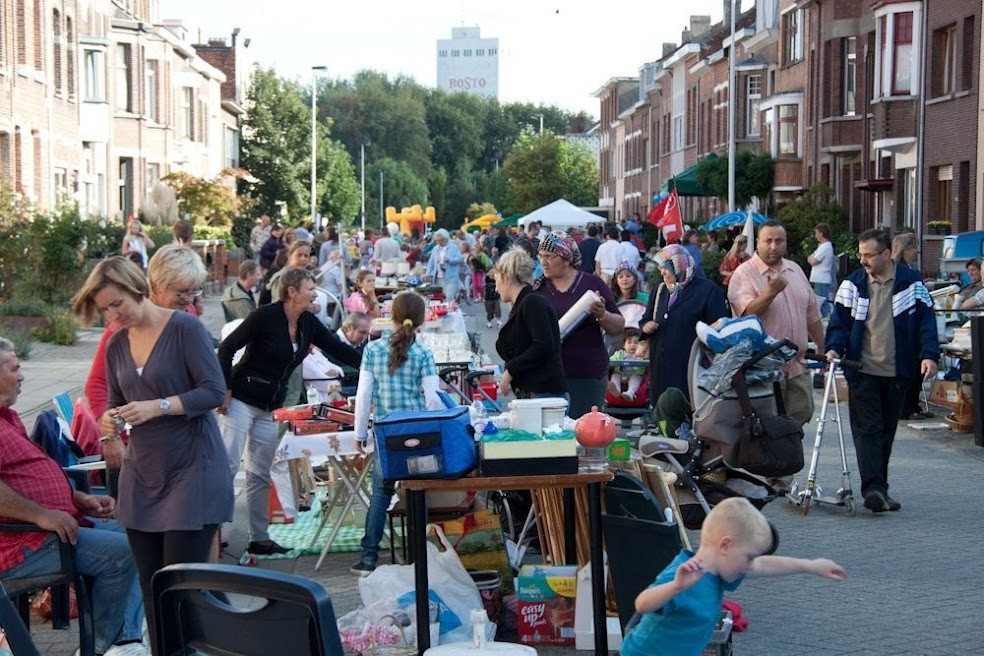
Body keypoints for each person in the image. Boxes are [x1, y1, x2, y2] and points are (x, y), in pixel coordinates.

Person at [72, 256, 233, 650]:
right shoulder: (115, 344)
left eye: (117, 304)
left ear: (136, 287)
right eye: (105, 309)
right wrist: (109, 422)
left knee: (183, 586)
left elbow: (214, 391)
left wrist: (159, 406)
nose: (112, 315)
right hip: (143, 474)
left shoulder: (185, 327)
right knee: (152, 587)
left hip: (193, 467)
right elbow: (113, 401)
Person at [0, 336, 148, 656]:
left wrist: (79, 498)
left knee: (140, 531)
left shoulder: (7, 417)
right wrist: (42, 515)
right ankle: (104, 646)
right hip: (24, 543)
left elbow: (29, 476)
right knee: (123, 553)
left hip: (52, 529)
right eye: (15, 368)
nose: (22, 375)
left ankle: (124, 638)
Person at [217, 268, 362, 554]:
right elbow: (228, 348)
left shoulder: (308, 322)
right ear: (292, 291)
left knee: (259, 473)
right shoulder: (265, 316)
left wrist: (374, 363)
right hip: (242, 399)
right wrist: (225, 389)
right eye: (310, 287)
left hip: (270, 405)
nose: (315, 293)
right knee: (228, 466)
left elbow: (338, 349)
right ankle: (213, 532)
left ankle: (259, 538)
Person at [620, 498, 845, 656]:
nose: (749, 565)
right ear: (725, 545)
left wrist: (810, 566)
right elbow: (642, 604)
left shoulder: (718, 571)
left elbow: (763, 566)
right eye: (748, 557)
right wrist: (675, 587)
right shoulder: (686, 573)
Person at [825, 228, 939, 513]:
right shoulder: (852, 284)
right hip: (862, 371)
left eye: (868, 255)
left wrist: (929, 356)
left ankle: (881, 489)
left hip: (898, 373)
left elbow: (927, 322)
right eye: (860, 254)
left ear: (886, 254)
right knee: (868, 430)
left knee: (886, 433)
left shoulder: (911, 283)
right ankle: (873, 489)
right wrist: (834, 348)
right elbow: (839, 324)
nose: (862, 260)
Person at [82, 247, 210, 499]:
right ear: (155, 285)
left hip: (185, 443)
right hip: (140, 452)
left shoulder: (187, 314)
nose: (188, 299)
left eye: (193, 291)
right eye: (180, 291)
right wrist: (110, 435)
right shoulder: (122, 328)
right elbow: (97, 384)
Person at [351, 292, 443, 576]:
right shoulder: (424, 354)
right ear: (421, 320)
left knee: (381, 493)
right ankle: (419, 556)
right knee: (419, 491)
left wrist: (360, 433)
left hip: (385, 433)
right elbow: (433, 400)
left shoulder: (373, 350)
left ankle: (368, 559)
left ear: (391, 316)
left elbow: (364, 395)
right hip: (417, 434)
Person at [728, 221, 825, 427]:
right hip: (763, 370)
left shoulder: (795, 270)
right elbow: (746, 314)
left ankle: (793, 458)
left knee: (798, 422)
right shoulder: (744, 273)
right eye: (768, 241)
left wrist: (823, 347)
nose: (773, 246)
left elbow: (812, 314)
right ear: (758, 243)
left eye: (779, 241)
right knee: (768, 429)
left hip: (797, 367)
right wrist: (771, 292)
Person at [535, 231, 623, 417]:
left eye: (550, 256)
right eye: (541, 256)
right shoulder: (539, 288)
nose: (543, 262)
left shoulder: (592, 284)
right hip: (547, 377)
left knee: (584, 435)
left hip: (586, 375)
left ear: (566, 259)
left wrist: (602, 314)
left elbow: (619, 327)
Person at [641, 245, 727, 405]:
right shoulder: (660, 290)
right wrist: (646, 327)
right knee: (663, 412)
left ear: (680, 267)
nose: (662, 273)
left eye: (666, 268)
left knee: (688, 410)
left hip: (690, 367)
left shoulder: (707, 290)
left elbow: (718, 328)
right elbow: (645, 319)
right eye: (661, 268)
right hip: (661, 366)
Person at [494, 248, 569, 400]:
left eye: (496, 281)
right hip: (537, 393)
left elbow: (543, 345)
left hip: (543, 394)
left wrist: (511, 370)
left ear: (506, 278)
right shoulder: (525, 303)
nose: (496, 289)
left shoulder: (532, 302)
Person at [259, 240, 314, 306]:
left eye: (306, 256)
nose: (303, 259)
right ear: (290, 256)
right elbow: (278, 307)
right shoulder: (282, 277)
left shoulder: (305, 277)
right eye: (299, 255)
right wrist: (307, 307)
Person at [608, 328, 648, 402]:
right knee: (615, 375)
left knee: (635, 378)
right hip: (620, 374)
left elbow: (644, 367)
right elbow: (611, 360)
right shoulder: (619, 354)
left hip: (634, 374)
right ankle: (616, 390)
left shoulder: (640, 356)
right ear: (624, 345)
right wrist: (612, 361)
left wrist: (641, 359)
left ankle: (630, 393)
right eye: (629, 342)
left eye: (636, 343)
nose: (632, 345)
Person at [425, 229, 464, 303]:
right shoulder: (435, 249)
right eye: (437, 241)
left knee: (449, 298)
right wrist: (428, 273)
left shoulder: (453, 247)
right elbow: (431, 262)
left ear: (445, 239)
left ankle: (450, 312)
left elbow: (460, 259)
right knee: (439, 297)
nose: (439, 242)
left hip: (451, 277)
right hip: (438, 277)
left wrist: (450, 260)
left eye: (440, 240)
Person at [807, 223, 837, 318]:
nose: (815, 236)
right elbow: (811, 258)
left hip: (822, 279)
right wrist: (810, 258)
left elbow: (813, 260)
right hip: (818, 279)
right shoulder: (821, 246)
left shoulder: (826, 247)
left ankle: (827, 319)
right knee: (821, 302)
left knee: (821, 302)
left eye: (816, 233)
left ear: (821, 233)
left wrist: (810, 258)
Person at [484, 250, 503, 328]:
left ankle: (498, 320)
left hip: (496, 298)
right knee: (489, 311)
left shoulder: (497, 279)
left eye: (493, 272)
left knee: (497, 310)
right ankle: (489, 321)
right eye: (490, 272)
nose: (492, 273)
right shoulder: (486, 279)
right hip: (488, 298)